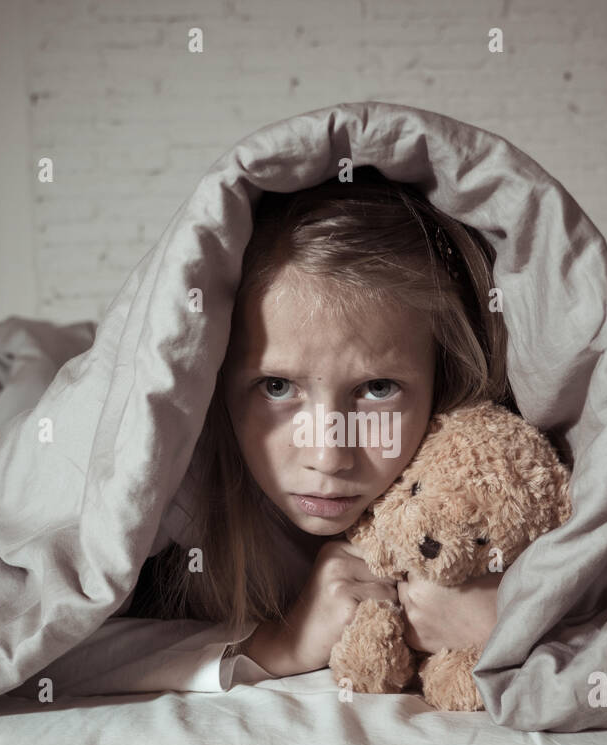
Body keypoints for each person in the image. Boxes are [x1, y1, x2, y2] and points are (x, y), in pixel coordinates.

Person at [135, 166, 520, 686]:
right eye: (276, 387)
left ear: (442, 378)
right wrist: (277, 644)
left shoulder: (494, 470)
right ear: (217, 377)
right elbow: (31, 644)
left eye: (377, 388)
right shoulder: (171, 482)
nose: (329, 456)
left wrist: (519, 614)